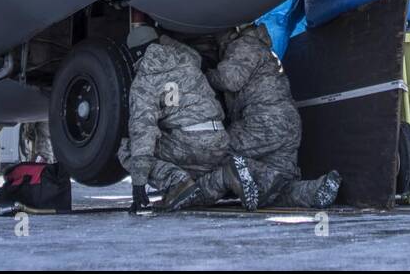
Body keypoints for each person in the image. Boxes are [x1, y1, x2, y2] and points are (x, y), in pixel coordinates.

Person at [198, 23, 341, 210]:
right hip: (287, 123)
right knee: (279, 185)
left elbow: (229, 80)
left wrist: (204, 75)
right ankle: (313, 191)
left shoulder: (244, 44)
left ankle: (192, 192)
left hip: (263, 121)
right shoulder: (263, 48)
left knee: (215, 151)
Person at [117, 24, 230, 211]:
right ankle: (226, 176)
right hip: (219, 140)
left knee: (127, 150)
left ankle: (176, 182)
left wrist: (138, 182)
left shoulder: (144, 80)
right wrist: (163, 38)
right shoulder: (188, 59)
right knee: (197, 185)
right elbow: (192, 55)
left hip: (189, 143)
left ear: (136, 54)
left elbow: (143, 130)